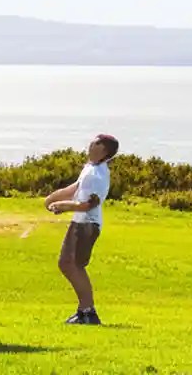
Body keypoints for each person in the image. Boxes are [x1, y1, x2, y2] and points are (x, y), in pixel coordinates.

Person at [45, 133, 119, 326]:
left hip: (88, 224)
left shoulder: (98, 175)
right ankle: (85, 311)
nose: (90, 146)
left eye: (95, 144)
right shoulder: (90, 168)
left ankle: (88, 312)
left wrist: (64, 206)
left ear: (103, 151)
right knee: (67, 263)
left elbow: (89, 204)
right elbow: (76, 187)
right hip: (80, 222)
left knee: (73, 265)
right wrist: (54, 197)